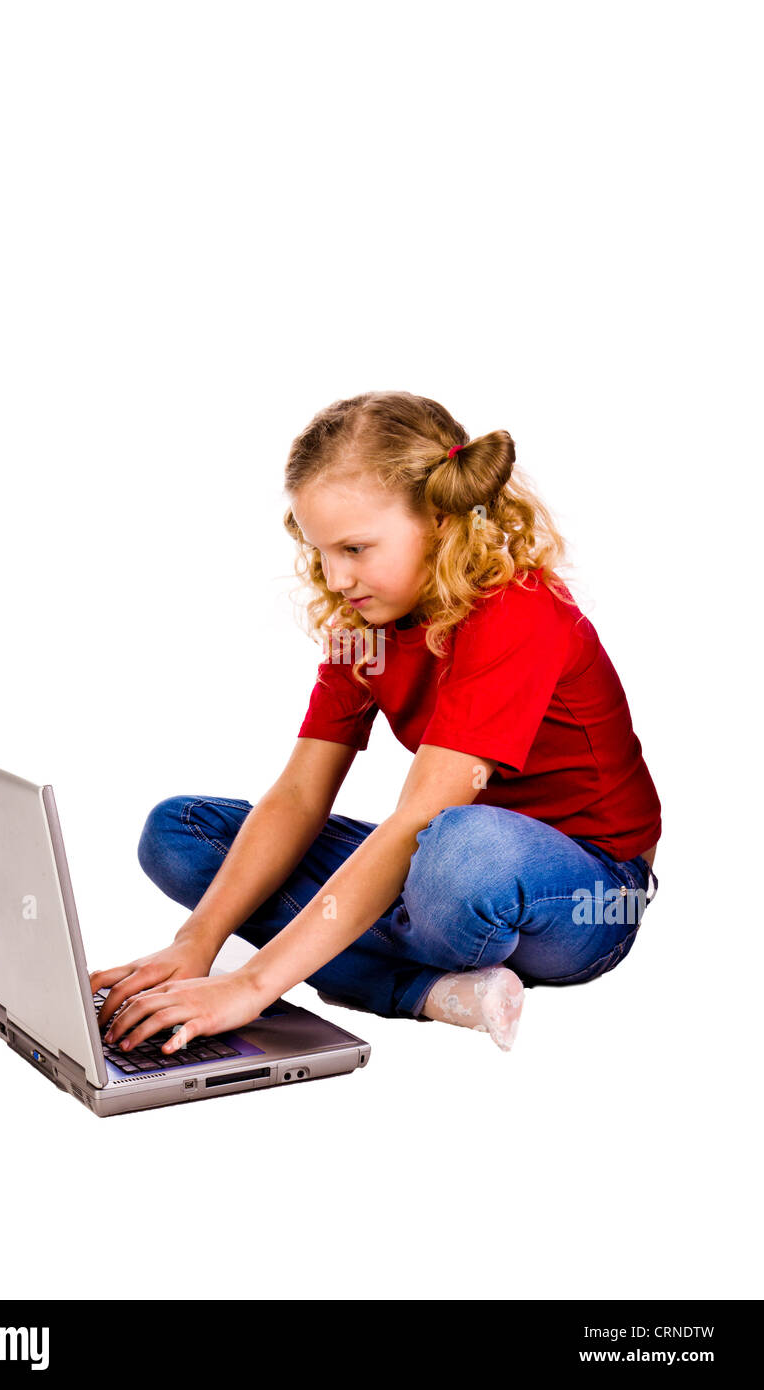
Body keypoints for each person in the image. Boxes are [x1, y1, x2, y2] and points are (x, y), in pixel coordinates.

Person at [90, 390, 661, 1055]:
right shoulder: (367, 628)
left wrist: (250, 983)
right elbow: (302, 794)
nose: (335, 577)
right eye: (322, 551)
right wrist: (199, 941)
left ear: (445, 520)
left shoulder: (517, 612)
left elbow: (421, 821)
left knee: (458, 853)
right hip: (433, 857)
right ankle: (434, 991)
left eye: (356, 548)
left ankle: (380, 969)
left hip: (580, 891)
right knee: (179, 833)